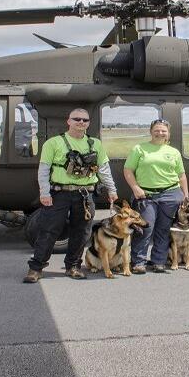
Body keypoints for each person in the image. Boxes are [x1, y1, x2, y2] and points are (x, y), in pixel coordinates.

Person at [24, 108, 118, 284]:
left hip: (85, 195)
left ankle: (73, 266)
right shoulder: (53, 143)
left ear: (88, 123)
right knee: (49, 230)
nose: (81, 122)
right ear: (68, 121)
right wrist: (44, 193)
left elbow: (104, 170)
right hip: (60, 193)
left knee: (81, 232)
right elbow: (43, 170)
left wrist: (112, 190)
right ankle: (36, 268)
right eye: (77, 119)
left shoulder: (95, 144)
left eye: (85, 120)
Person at [124, 119, 189, 274]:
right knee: (145, 228)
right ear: (151, 132)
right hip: (146, 195)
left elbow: (181, 175)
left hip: (170, 194)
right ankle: (138, 262)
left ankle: (158, 261)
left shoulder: (174, 152)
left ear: (168, 133)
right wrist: (135, 188)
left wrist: (185, 195)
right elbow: (128, 170)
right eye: (157, 130)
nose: (160, 133)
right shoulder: (139, 149)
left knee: (163, 229)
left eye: (163, 131)